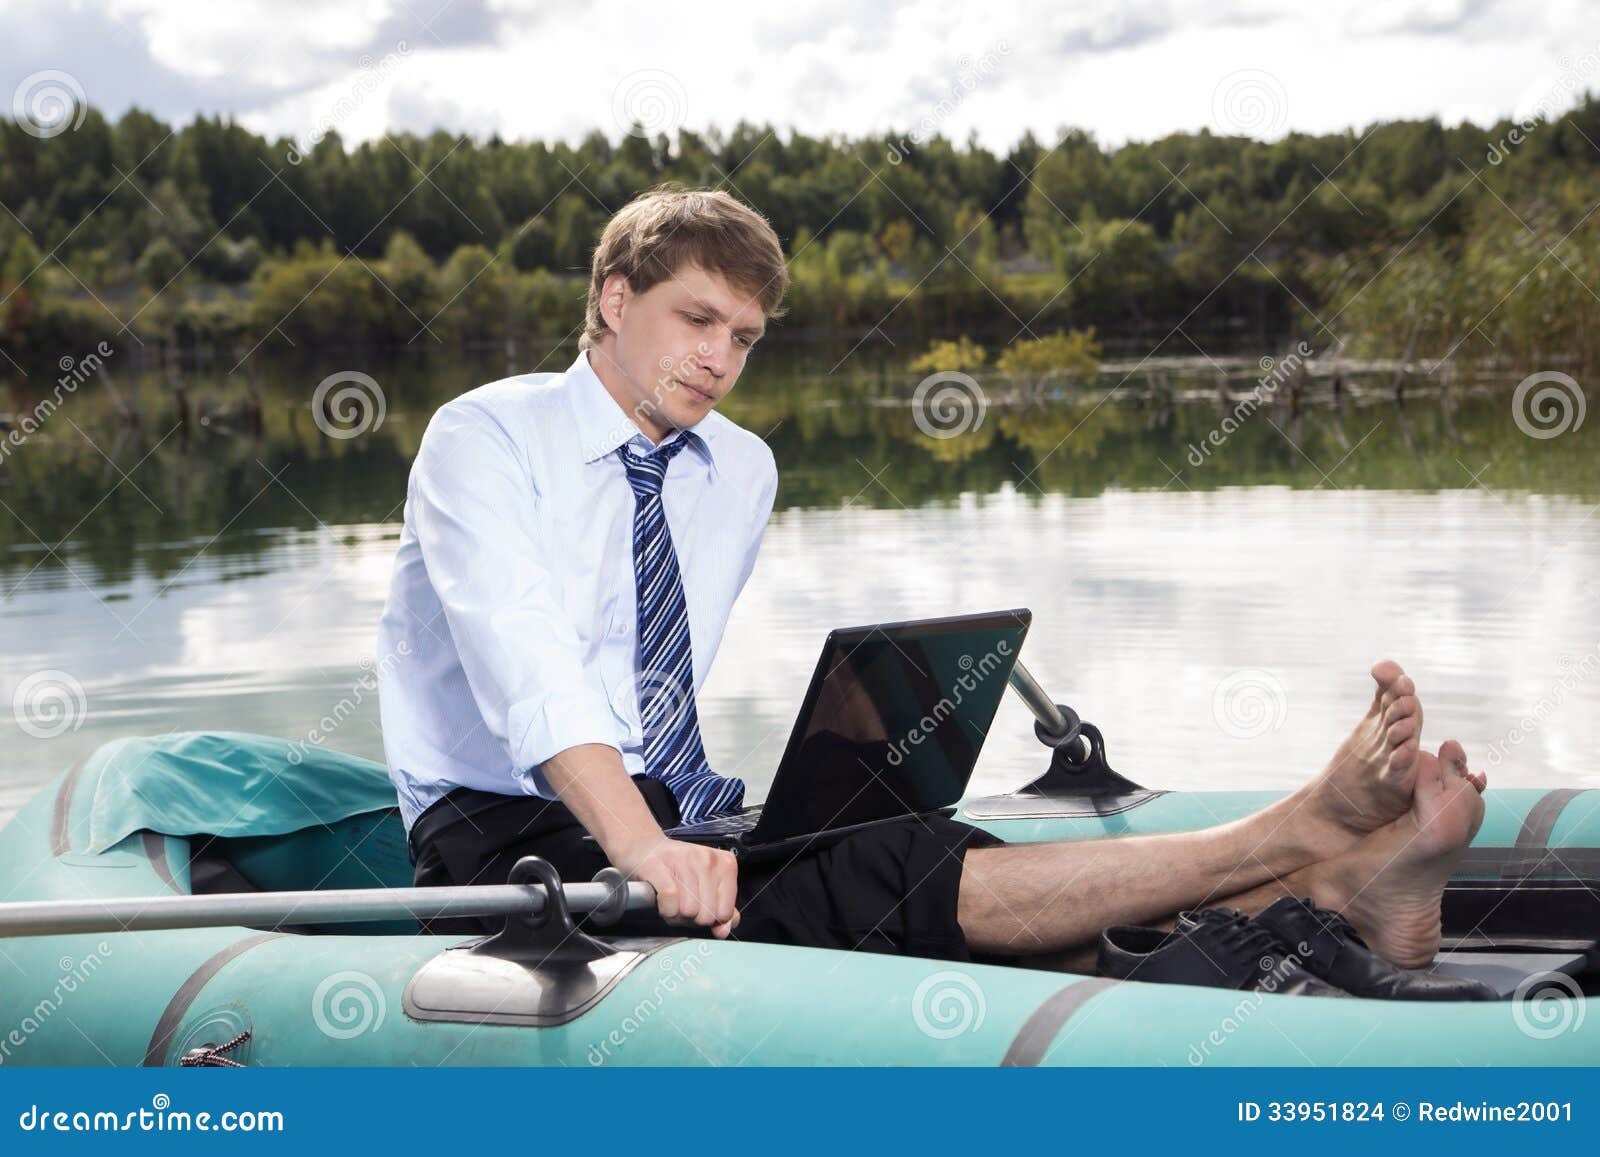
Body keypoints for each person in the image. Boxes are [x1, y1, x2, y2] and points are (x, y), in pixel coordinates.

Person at [376, 185, 1487, 972]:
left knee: (892, 854)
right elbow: (527, 661)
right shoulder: (486, 437)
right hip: (507, 835)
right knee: (887, 873)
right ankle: (1293, 836)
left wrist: (822, 760)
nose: (721, 357)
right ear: (616, 299)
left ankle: (1333, 892)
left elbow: (647, 678)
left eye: (747, 336)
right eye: (697, 319)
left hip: (670, 812)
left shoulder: (738, 468)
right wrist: (639, 843)